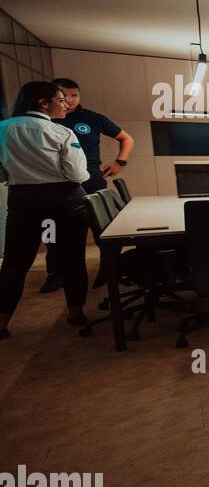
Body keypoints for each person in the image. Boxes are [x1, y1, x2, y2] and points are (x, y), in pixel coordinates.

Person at [0, 82, 92, 340]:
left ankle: (2, 322)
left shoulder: (2, 130)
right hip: (64, 199)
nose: (66, 104)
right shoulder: (60, 132)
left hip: (23, 199)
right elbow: (77, 173)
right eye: (61, 100)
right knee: (72, 259)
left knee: (15, 263)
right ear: (42, 102)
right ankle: (75, 314)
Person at [37, 79, 133, 294]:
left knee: (102, 229)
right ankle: (55, 273)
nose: (69, 101)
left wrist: (120, 162)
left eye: (74, 96)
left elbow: (126, 138)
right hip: (51, 184)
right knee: (51, 230)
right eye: (64, 96)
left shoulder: (92, 118)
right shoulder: (43, 121)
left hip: (90, 180)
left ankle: (108, 268)